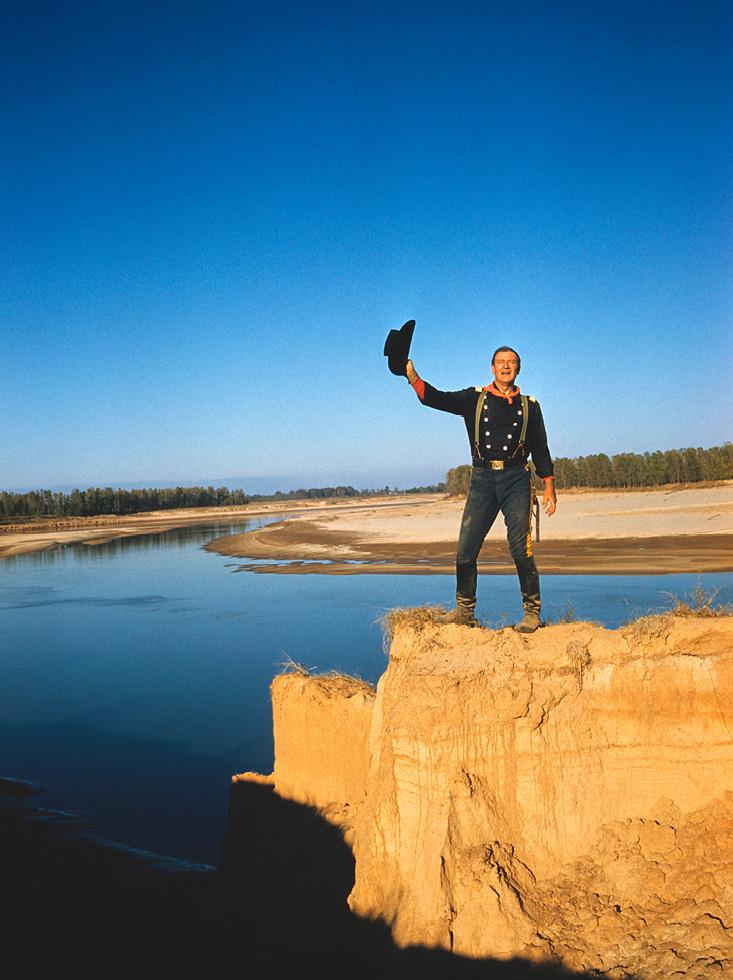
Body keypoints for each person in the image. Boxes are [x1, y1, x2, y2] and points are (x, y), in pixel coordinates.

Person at [404, 347, 556, 632]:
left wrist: (549, 486)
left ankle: (532, 613)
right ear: (492, 368)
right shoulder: (474, 398)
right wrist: (412, 376)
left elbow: (541, 448)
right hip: (482, 480)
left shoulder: (530, 406)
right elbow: (435, 398)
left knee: (520, 548)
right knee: (466, 548)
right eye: (500, 362)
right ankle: (464, 611)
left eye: (511, 363)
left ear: (518, 368)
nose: (506, 367)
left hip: (516, 480)